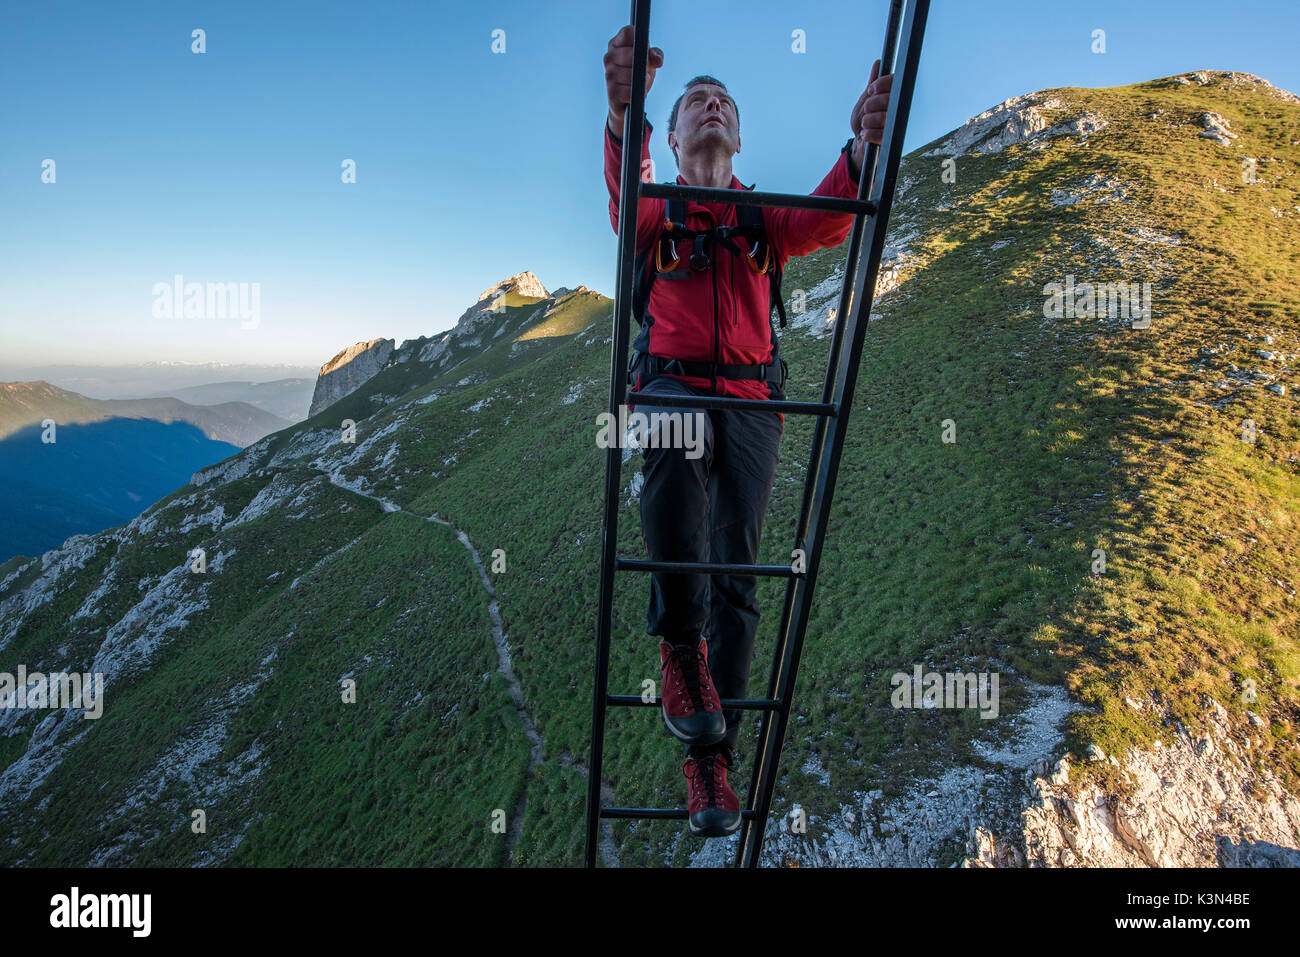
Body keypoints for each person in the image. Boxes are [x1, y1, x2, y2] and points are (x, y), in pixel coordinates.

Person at [601, 24, 892, 837]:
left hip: (753, 404)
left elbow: (833, 214)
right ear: (677, 130)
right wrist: (625, 111)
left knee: (738, 567)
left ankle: (710, 755)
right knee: (666, 455)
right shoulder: (658, 213)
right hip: (672, 387)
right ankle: (681, 653)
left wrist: (863, 146)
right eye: (697, 101)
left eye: (722, 100)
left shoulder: (765, 220)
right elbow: (628, 191)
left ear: (737, 133)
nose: (713, 106)